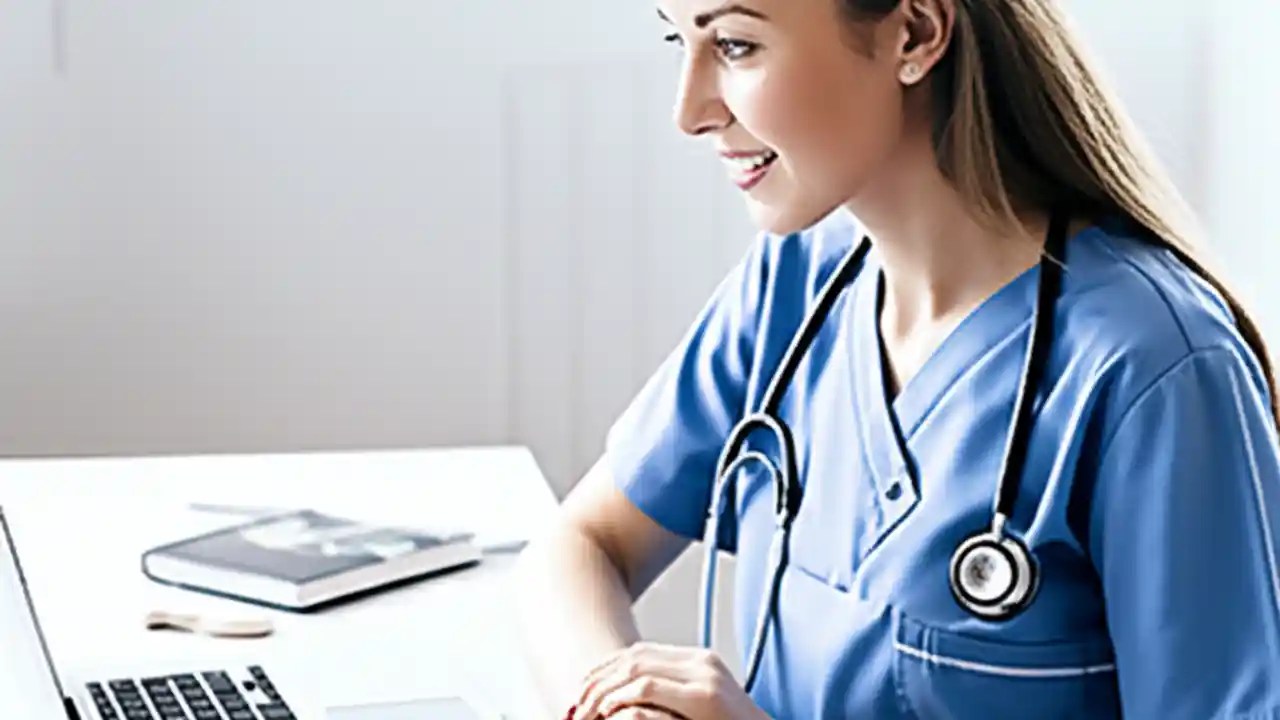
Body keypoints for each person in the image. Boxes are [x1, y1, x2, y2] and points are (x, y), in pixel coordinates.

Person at [512, 0, 1280, 718]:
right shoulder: (797, 283)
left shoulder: (1159, 371)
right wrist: (622, 700)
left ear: (913, 34)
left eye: (737, 46)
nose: (690, 112)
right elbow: (580, 545)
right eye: (681, 42)